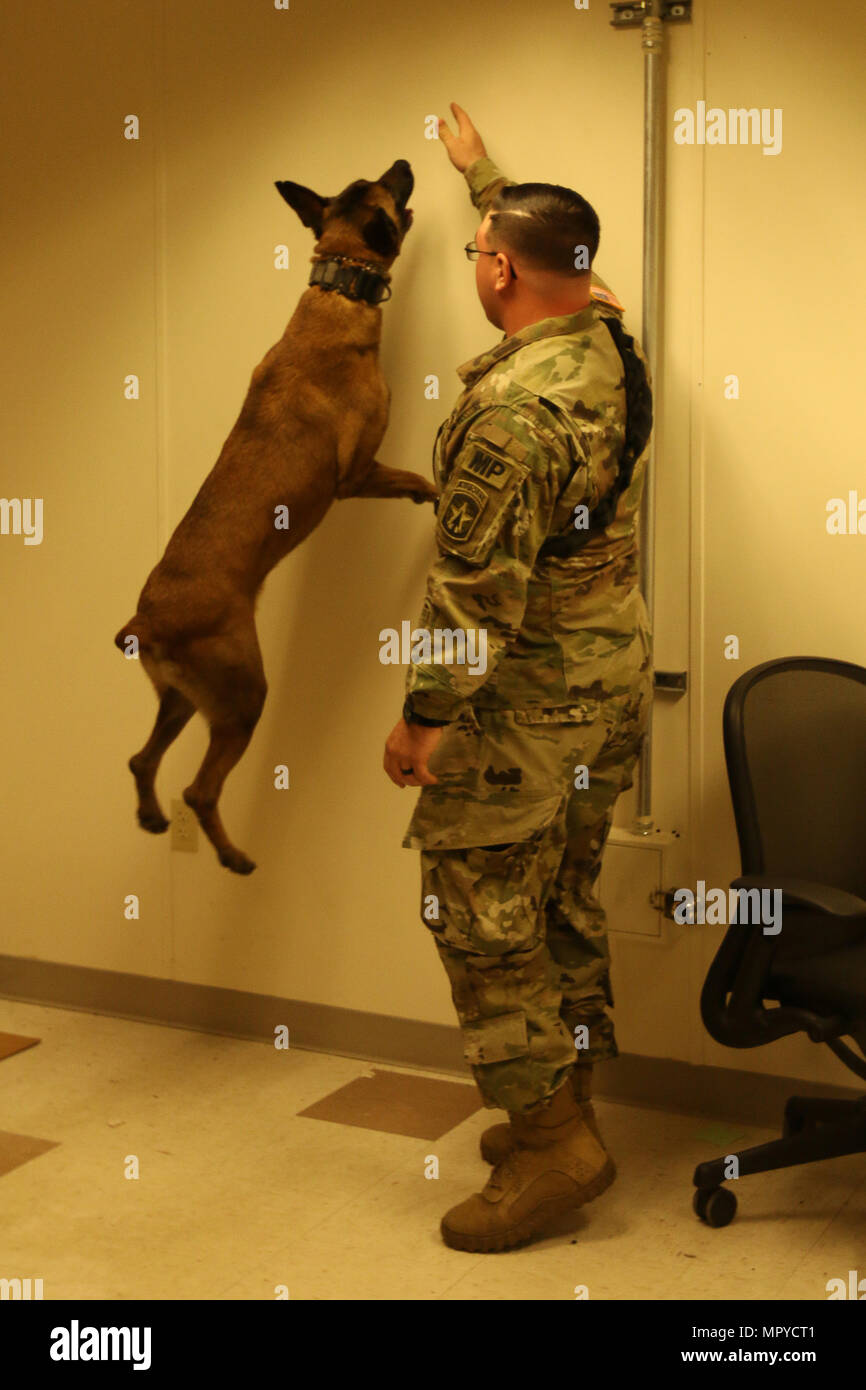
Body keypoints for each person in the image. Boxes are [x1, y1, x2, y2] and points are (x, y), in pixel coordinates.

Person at [383, 103, 654, 1253]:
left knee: (482, 921)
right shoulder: (603, 339)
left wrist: (421, 719)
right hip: (606, 698)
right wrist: (481, 173)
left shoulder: (507, 414)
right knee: (559, 907)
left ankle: (550, 1144)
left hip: (520, 716)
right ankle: (571, 1101)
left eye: (479, 246)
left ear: (498, 268)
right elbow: (564, 250)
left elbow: (471, 596)